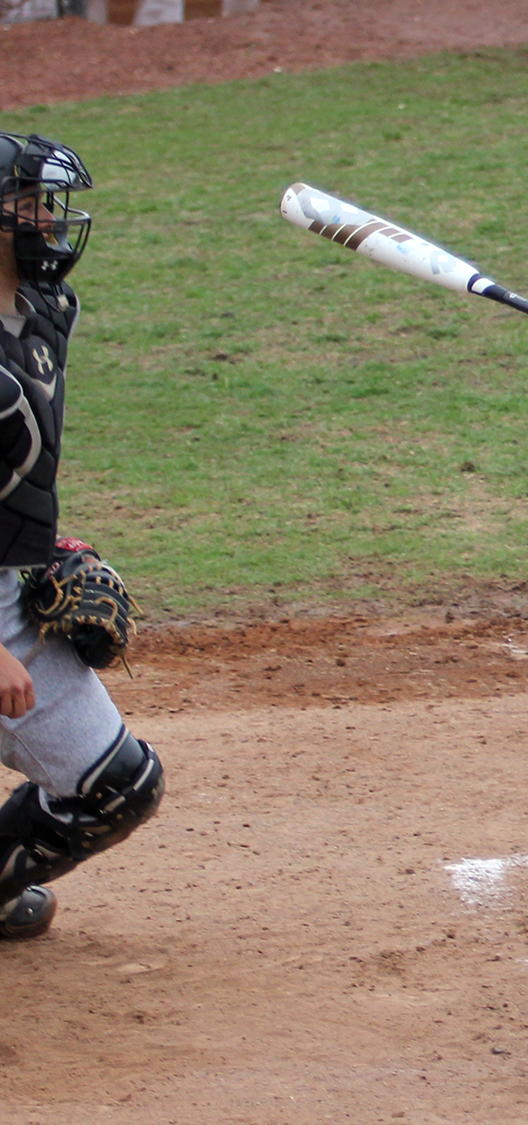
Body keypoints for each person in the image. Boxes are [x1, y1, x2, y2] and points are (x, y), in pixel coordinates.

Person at [0, 132, 165, 942]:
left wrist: (43, 547)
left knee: (117, 788)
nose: (49, 222)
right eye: (27, 206)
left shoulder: (42, 309)